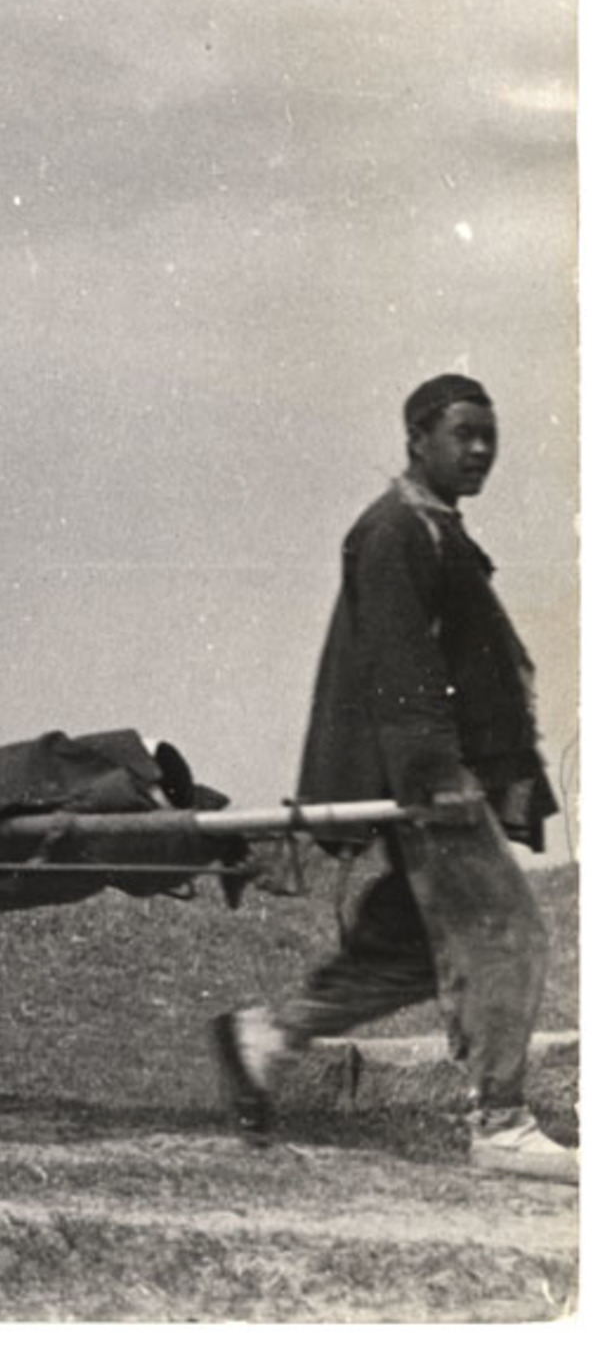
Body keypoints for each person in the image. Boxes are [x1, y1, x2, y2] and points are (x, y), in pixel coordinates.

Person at [209, 375, 575, 1183]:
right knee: (505, 934)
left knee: (414, 950)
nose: (480, 449)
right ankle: (502, 1122)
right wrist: (435, 774)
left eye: (490, 434)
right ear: (417, 437)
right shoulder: (394, 531)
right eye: (463, 433)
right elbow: (401, 666)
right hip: (432, 786)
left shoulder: (436, 529)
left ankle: (264, 1036)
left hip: (449, 776)